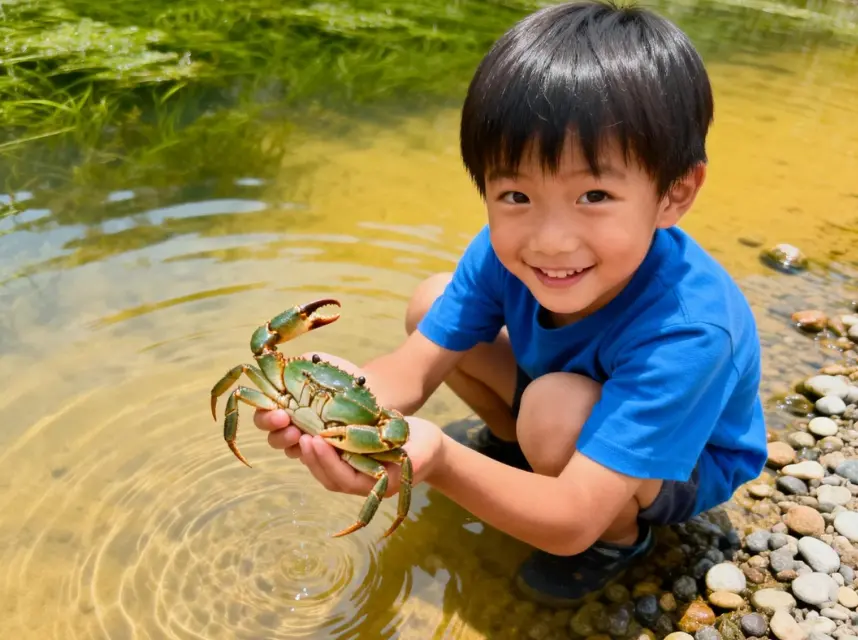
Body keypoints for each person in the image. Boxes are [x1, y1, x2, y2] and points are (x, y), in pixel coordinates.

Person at [253, 0, 768, 607]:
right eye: (516, 194)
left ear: (674, 194)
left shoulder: (690, 329)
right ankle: (512, 447)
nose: (549, 240)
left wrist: (439, 460)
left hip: (683, 463)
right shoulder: (503, 251)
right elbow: (412, 369)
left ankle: (620, 537)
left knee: (553, 415)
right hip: (572, 396)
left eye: (594, 193)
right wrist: (338, 402)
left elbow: (572, 517)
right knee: (432, 304)